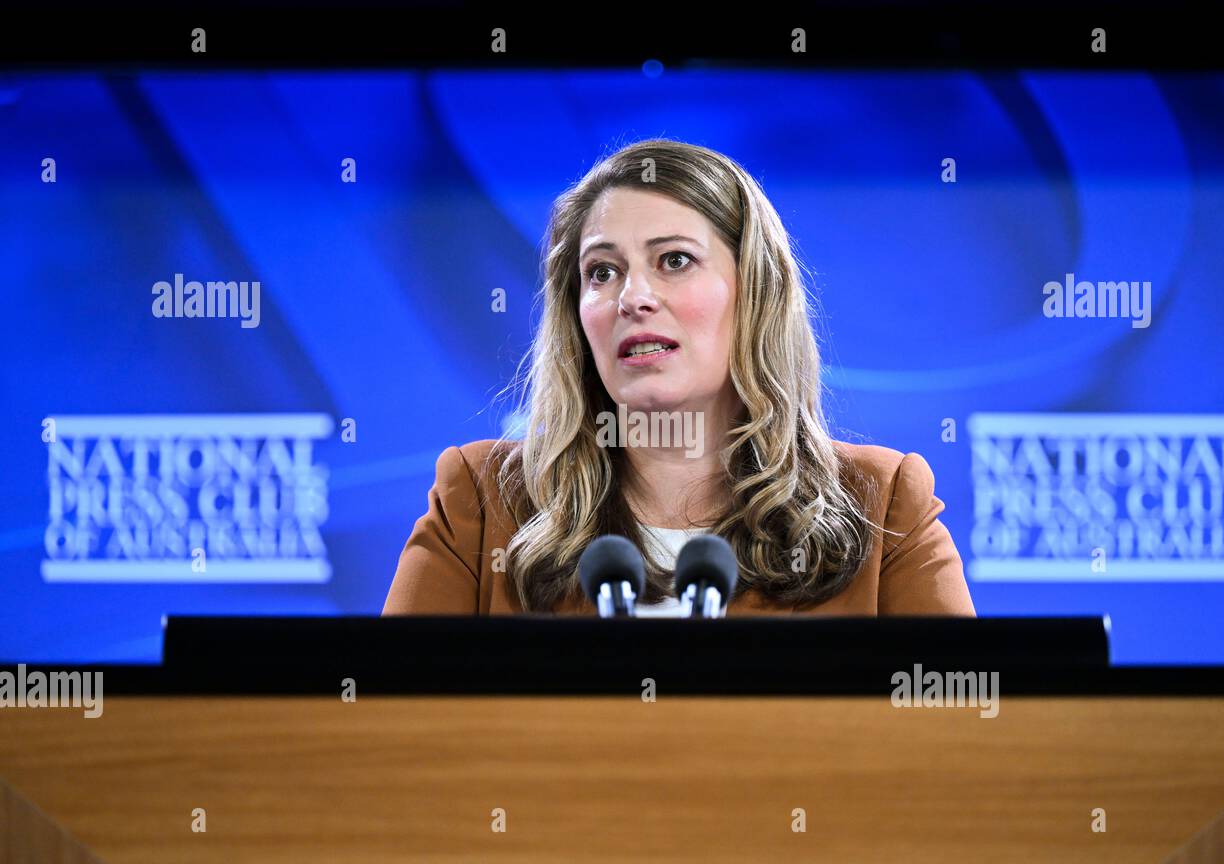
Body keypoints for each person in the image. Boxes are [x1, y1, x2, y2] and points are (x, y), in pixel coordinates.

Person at [382, 139, 975, 617]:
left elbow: (963, 739)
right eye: (603, 271)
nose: (633, 297)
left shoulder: (885, 503)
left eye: (674, 260)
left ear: (754, 295)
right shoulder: (482, 502)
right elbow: (382, 738)